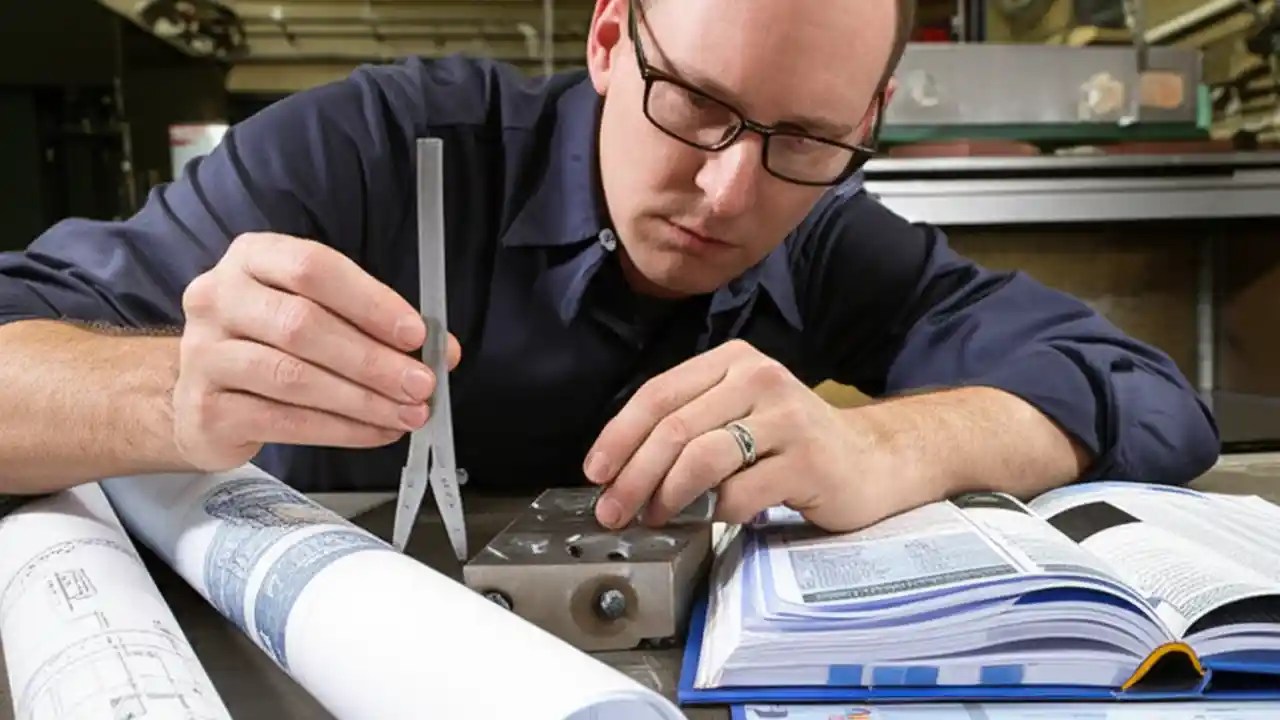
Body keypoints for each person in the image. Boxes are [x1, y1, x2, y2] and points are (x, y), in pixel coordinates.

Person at [0, 0, 1218, 534]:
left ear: (869, 117)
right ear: (604, 37)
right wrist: (168, 389)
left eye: (802, 139)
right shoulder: (365, 152)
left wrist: (890, 444)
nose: (731, 192)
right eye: (693, 102)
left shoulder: (826, 229)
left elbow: (1146, 394)